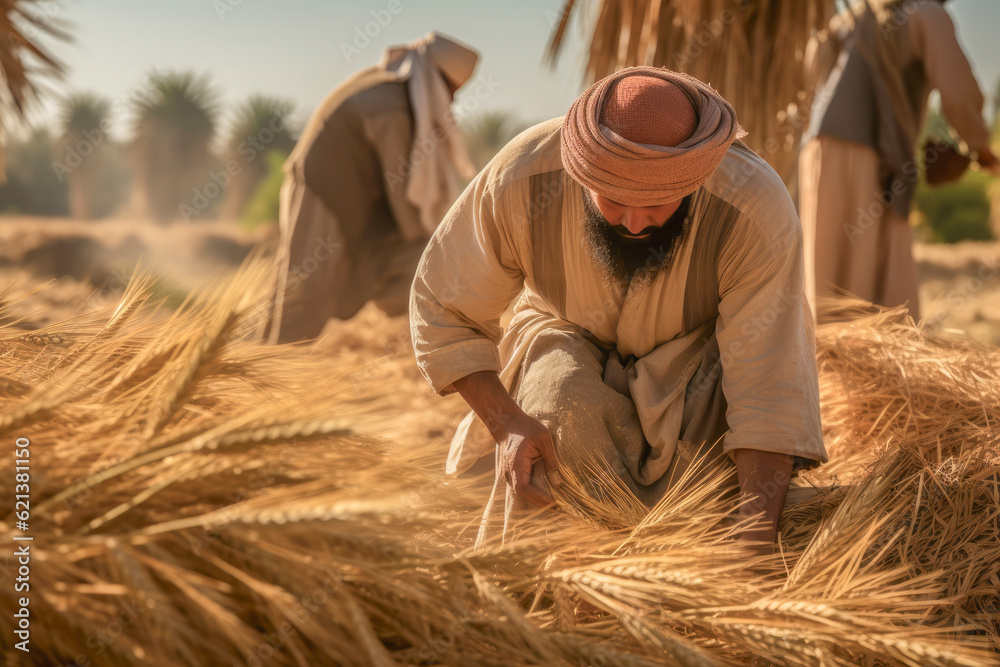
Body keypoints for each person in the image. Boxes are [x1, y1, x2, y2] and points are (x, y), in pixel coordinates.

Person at [410, 67, 827, 547]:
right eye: (611, 199)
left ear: (693, 180)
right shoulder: (523, 178)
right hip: (562, 330)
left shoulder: (753, 208)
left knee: (706, 494)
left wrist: (754, 544)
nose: (633, 222)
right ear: (580, 171)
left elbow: (767, 381)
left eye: (658, 202)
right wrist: (507, 425)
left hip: (701, 356)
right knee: (557, 421)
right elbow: (444, 305)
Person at [264, 32, 479, 344]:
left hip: (338, 200)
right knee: (305, 298)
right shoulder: (391, 106)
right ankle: (264, 375)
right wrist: (435, 246)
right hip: (324, 197)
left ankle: (252, 366)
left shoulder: (390, 92)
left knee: (297, 294)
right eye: (451, 89)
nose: (452, 100)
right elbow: (404, 191)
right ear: (436, 78)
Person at [799, 0, 998, 322]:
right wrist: (980, 148)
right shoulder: (928, 14)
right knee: (879, 292)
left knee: (827, 280)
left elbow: (812, 69)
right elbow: (958, 88)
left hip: (817, 150)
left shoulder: (851, 18)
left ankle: (823, 365)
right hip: (872, 152)